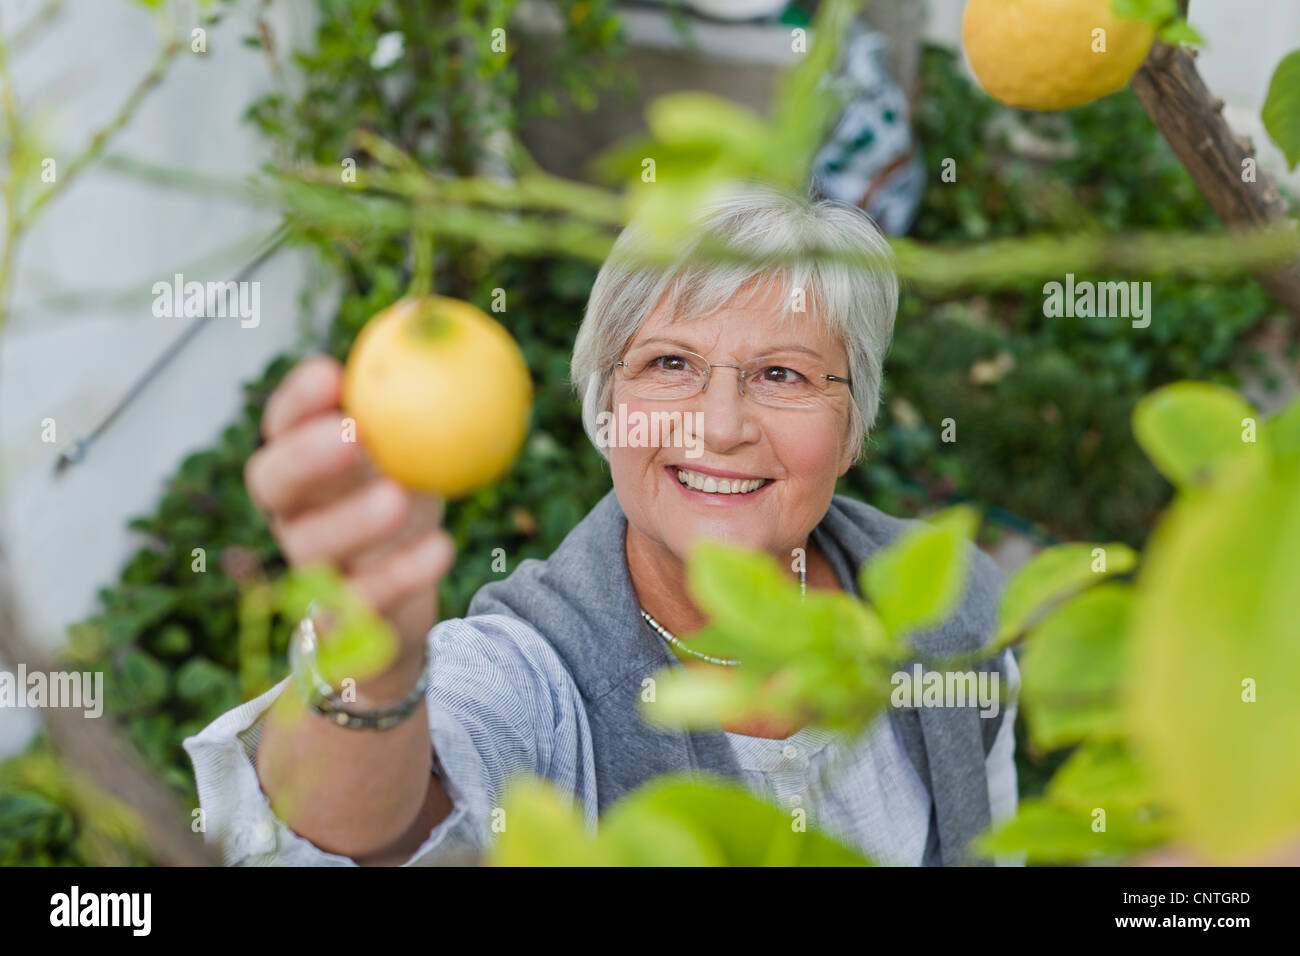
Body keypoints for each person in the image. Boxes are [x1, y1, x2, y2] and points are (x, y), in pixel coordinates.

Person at [183, 180, 1020, 866]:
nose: (719, 424)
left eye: (781, 373)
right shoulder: (538, 674)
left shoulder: (950, 603)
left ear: (851, 430)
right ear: (607, 405)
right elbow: (345, 840)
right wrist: (374, 652)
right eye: (670, 364)